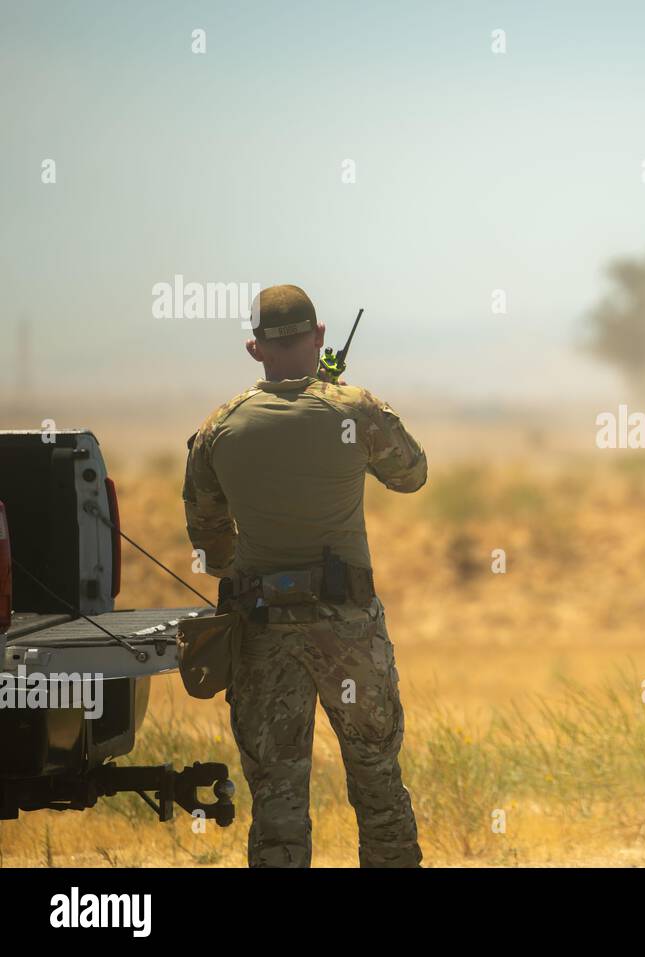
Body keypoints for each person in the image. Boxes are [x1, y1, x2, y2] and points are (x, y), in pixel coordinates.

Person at [182, 284, 425, 867]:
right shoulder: (353, 409)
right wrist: (340, 399)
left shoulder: (221, 428)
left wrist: (244, 566)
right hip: (348, 629)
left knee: (277, 793)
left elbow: (209, 535)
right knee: (377, 779)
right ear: (318, 337)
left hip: (262, 631)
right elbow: (411, 475)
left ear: (254, 349)